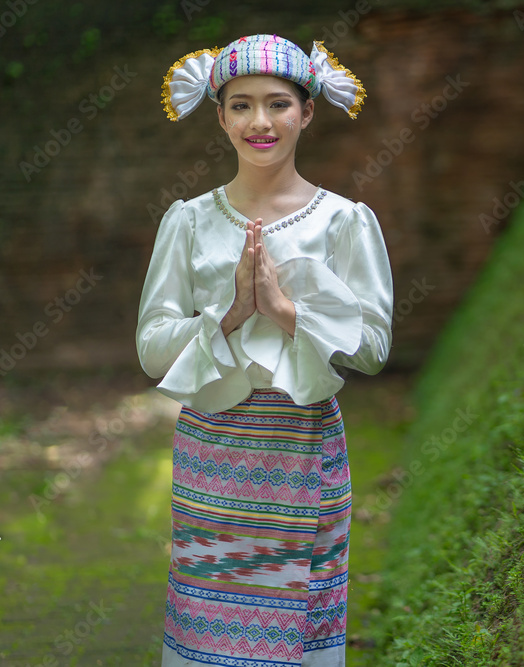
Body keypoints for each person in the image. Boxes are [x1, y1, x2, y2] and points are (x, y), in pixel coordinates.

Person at [136, 34, 393, 666]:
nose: (260, 122)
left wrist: (285, 312)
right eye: (241, 105)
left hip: (303, 450)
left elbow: (374, 348)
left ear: (307, 111)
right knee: (207, 629)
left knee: (299, 626)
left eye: (278, 104)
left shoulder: (344, 221)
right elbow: (150, 348)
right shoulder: (190, 220)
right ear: (219, 115)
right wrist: (226, 317)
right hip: (213, 454)